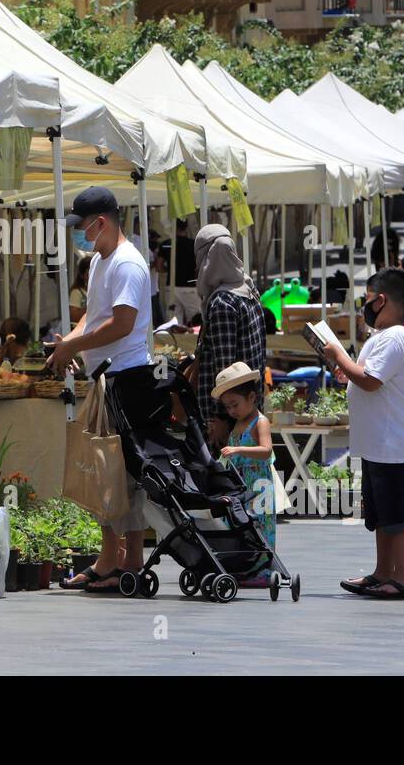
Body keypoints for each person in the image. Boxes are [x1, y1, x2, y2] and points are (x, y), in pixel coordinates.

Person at [48, 187, 159, 593]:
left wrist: (73, 346)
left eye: (83, 227)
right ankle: (117, 558)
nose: (81, 234)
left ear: (102, 222)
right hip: (106, 378)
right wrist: (70, 342)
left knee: (118, 472)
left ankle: (121, 560)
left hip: (127, 379)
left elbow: (122, 324)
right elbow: (94, 319)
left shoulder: (128, 265)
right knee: (106, 472)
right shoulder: (98, 260)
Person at [323, 267, 404, 600]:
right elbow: (363, 375)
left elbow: (370, 380)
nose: (363, 307)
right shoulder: (383, 336)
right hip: (379, 444)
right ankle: (383, 572)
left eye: (367, 300)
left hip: (394, 443)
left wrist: (339, 355)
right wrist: (345, 370)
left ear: (381, 300)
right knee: (380, 512)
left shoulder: (396, 336)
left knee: (400, 512)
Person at [192, 224, 267, 450]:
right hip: (248, 405)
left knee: (227, 479)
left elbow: (225, 368)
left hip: (229, 415)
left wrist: (221, 418)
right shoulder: (249, 290)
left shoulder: (223, 302)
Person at [212, 362, 275, 585]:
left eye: (235, 405)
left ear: (251, 398)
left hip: (258, 483)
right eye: (227, 407)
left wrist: (238, 449)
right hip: (241, 484)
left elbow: (266, 451)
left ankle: (265, 569)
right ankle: (246, 565)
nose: (231, 411)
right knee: (242, 524)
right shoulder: (238, 424)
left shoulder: (260, 422)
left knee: (261, 525)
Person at [158, 219, 200, 325]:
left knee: (174, 323)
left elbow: (159, 266)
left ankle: (173, 342)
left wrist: (168, 270)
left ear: (174, 227)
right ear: (186, 228)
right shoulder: (194, 244)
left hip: (171, 287)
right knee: (196, 322)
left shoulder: (166, 244)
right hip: (190, 287)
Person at [68, 259, 90, 325]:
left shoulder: (98, 288)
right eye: (88, 274)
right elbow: (73, 316)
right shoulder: (76, 292)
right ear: (81, 275)